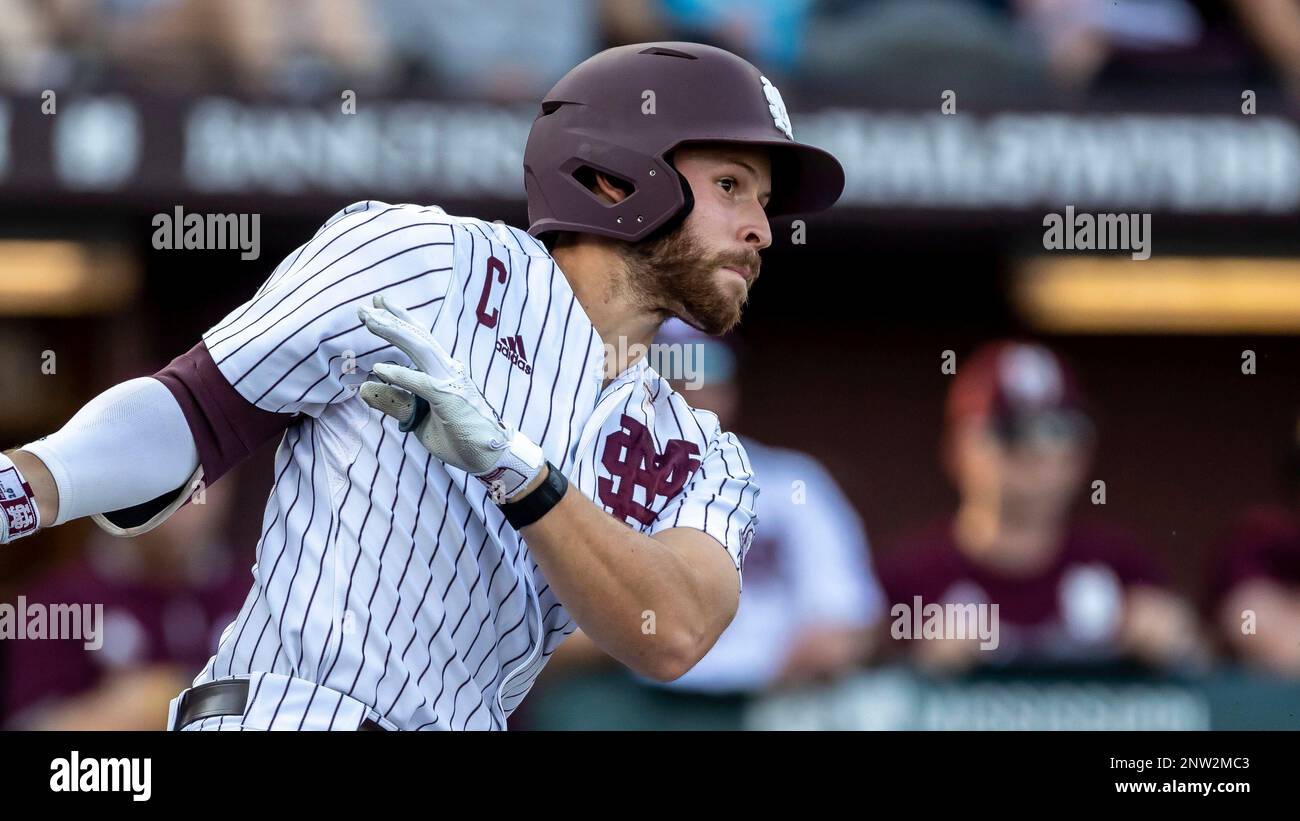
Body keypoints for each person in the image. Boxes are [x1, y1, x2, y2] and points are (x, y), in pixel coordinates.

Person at [0, 41, 844, 730]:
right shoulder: (427, 258)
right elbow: (194, 411)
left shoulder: (701, 451)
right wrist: (22, 487)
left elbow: (676, 630)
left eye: (764, 202)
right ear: (617, 176)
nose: (762, 229)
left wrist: (519, 473)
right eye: (731, 185)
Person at [545, 321, 883, 695]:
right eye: (674, 373)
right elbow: (548, 638)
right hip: (632, 696)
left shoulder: (791, 482)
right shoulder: (589, 478)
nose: (692, 388)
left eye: (708, 371)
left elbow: (849, 617)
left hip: (765, 697)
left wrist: (828, 644)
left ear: (730, 387)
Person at [875, 340, 1203, 672]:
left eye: (1061, 430)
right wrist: (916, 670)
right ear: (959, 449)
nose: (1040, 452)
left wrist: (1175, 644)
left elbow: (1211, 679)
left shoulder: (1123, 566)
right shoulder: (907, 579)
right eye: (1012, 432)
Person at [3, 482, 247, 730]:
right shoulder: (52, 605)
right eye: (172, 479)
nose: (187, 502)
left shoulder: (257, 594)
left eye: (202, 483)